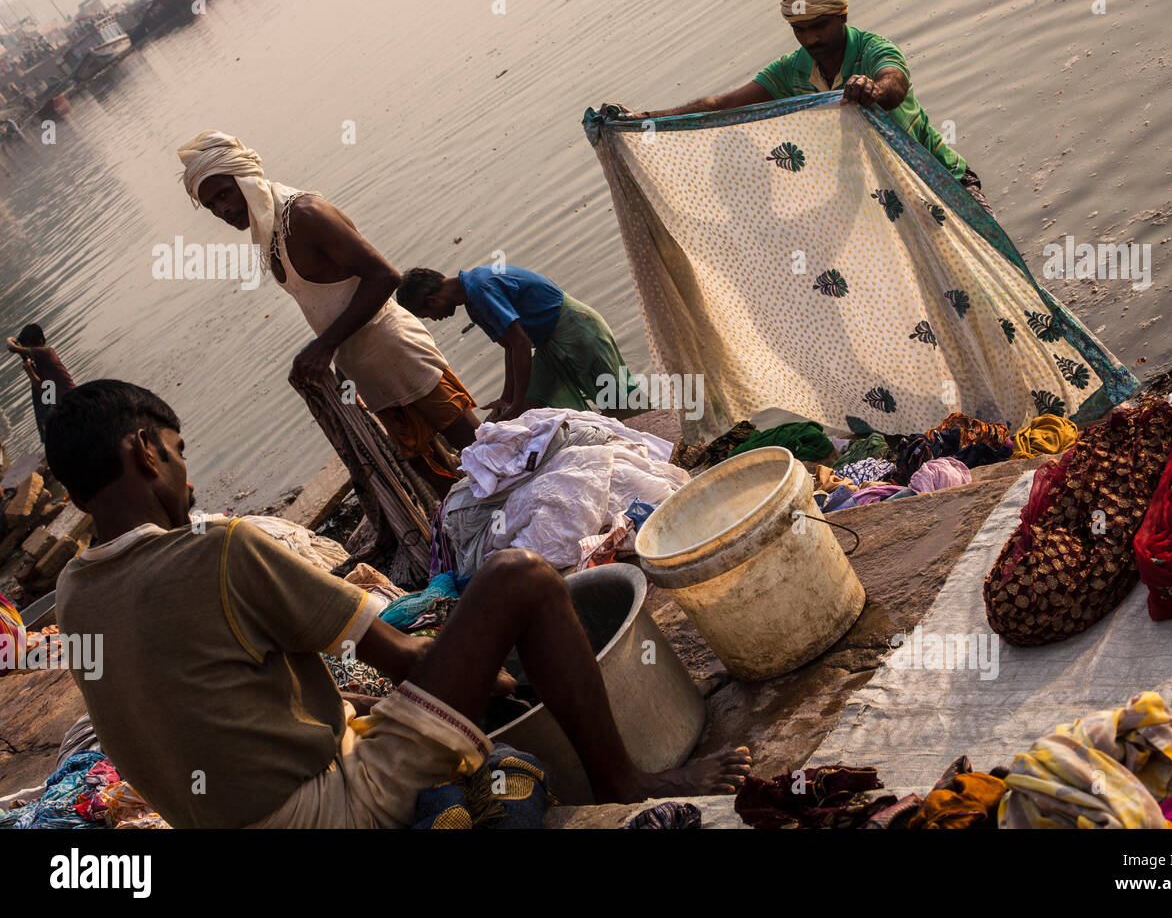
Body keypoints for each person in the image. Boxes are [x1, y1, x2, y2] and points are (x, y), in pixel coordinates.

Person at [45, 379, 751, 828]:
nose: (188, 482)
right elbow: (405, 661)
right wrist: (489, 674)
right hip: (325, 811)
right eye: (177, 451)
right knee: (519, 578)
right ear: (144, 451)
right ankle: (623, 780)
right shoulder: (221, 550)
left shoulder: (73, 594)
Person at [175, 130, 479, 496]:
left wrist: (323, 347)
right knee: (433, 475)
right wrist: (337, 357)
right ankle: (484, 536)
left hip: (399, 351)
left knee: (482, 452)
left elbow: (385, 277)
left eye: (225, 193)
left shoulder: (304, 214)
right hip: (364, 368)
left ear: (246, 178)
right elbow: (329, 301)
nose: (222, 209)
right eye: (211, 205)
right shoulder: (269, 228)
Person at [604, 0, 994, 215]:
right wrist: (643, 120)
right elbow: (720, 106)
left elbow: (894, 85)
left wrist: (870, 89)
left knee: (1002, 283)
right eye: (799, 29)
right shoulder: (790, 72)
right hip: (888, 204)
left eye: (819, 26)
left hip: (943, 183)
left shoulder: (875, 50)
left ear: (842, 17)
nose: (810, 39)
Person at [397, 265, 639, 421]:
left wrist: (517, 401)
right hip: (549, 343)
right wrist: (508, 398)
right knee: (536, 403)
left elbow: (521, 343)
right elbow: (510, 348)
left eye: (429, 315)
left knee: (619, 401)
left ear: (432, 301)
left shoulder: (480, 288)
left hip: (576, 329)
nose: (435, 319)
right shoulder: (472, 303)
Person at [6, 323, 75, 443]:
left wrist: (10, 339)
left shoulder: (45, 353)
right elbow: (45, 392)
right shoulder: (42, 360)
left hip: (71, 402)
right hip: (62, 404)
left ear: (40, 341)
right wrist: (30, 370)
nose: (29, 351)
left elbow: (12, 348)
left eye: (29, 348)